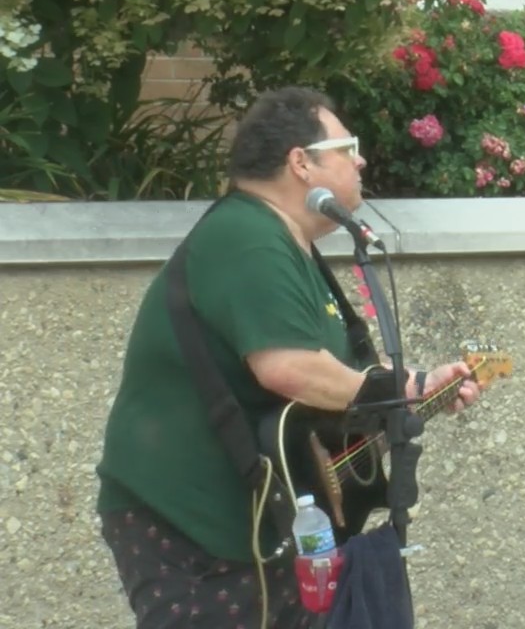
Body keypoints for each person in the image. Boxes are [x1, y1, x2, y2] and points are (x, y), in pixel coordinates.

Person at [95, 86, 485, 628]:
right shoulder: (247, 236)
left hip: (257, 520)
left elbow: (333, 385)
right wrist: (407, 386)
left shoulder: (287, 243)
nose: (362, 160)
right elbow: (288, 369)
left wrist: (418, 386)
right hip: (191, 519)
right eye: (348, 147)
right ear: (301, 163)